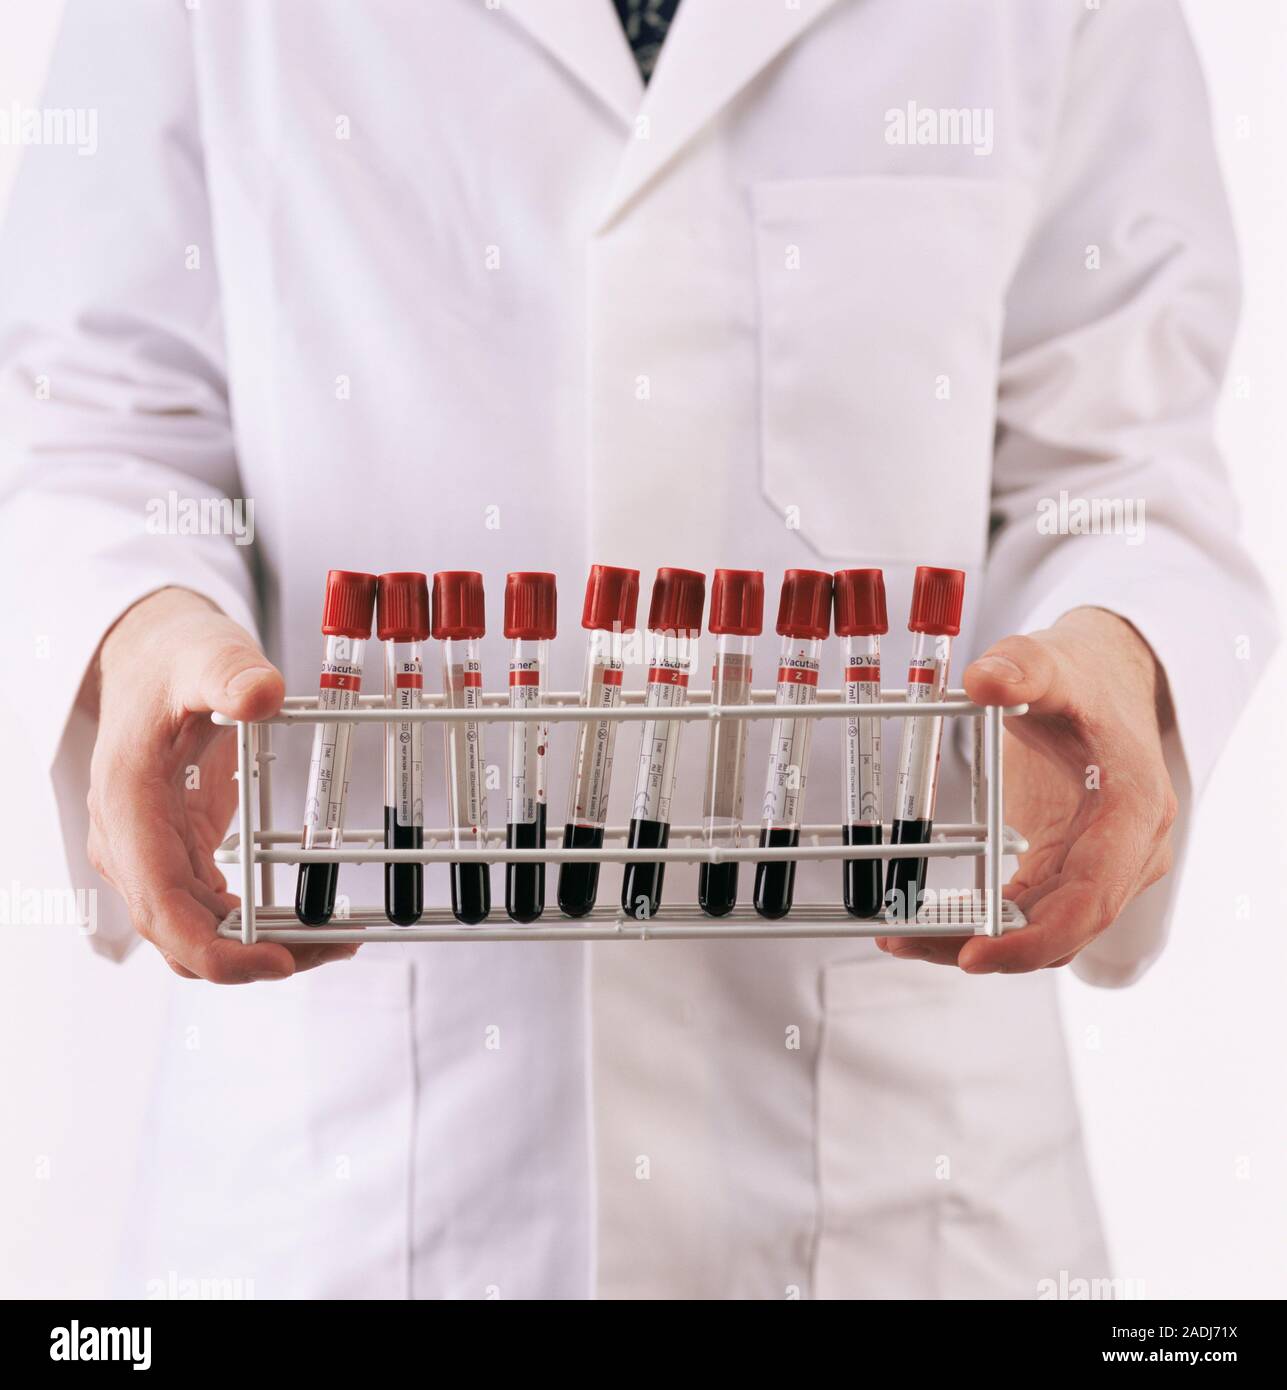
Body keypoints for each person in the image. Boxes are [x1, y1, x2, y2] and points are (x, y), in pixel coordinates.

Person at [0, 0, 1273, 1299]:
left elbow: (1120, 455)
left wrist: (1120, 644)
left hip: (909, 1184)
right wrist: (138, 620)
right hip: (349, 1175)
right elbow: (95, 422)